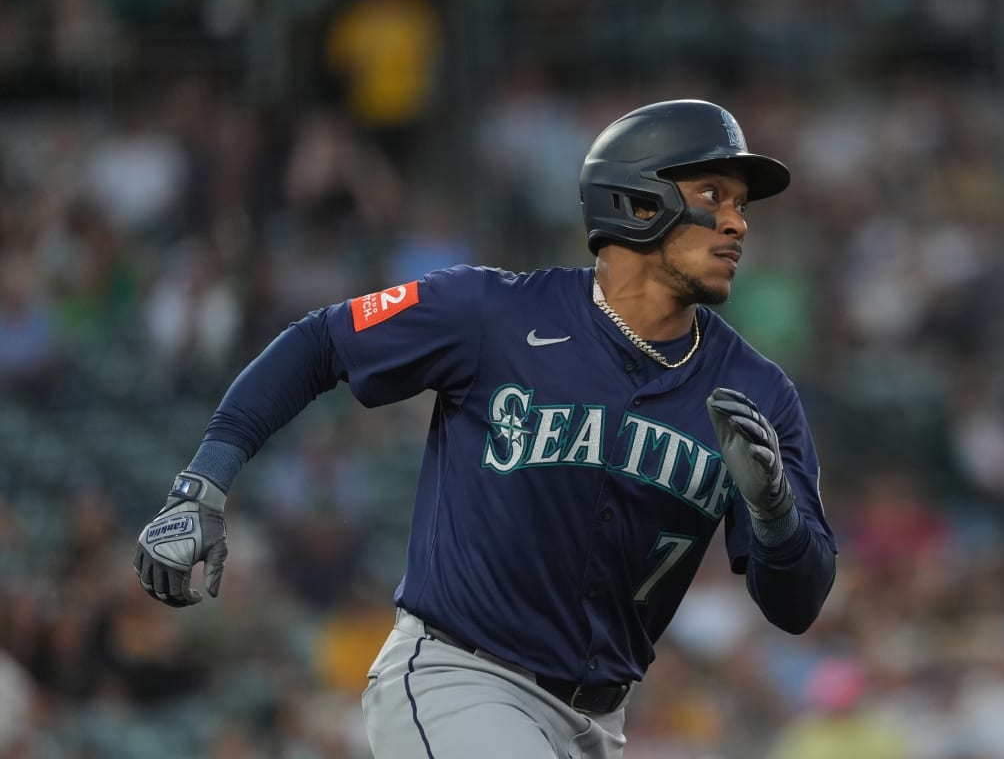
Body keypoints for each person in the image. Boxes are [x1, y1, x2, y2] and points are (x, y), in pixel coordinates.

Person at [131, 99, 839, 758]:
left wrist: (776, 517)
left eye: (741, 206)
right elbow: (321, 344)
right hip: (460, 679)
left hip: (599, 723)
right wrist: (202, 485)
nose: (738, 223)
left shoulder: (758, 392)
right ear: (636, 198)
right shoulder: (492, 313)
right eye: (713, 196)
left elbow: (797, 605)